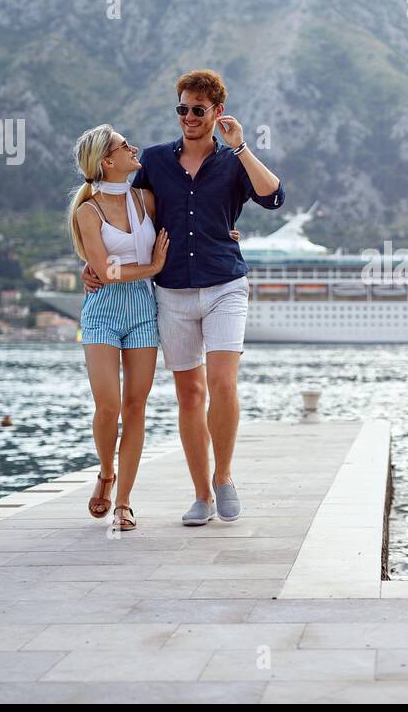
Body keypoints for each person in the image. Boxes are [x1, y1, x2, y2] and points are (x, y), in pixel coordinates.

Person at [83, 70, 285, 526]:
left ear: (216, 113)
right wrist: (91, 263)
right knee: (189, 394)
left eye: (198, 110)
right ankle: (200, 495)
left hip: (225, 284)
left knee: (223, 383)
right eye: (182, 109)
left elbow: (274, 198)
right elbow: (116, 213)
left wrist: (242, 147)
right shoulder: (154, 161)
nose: (188, 118)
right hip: (171, 291)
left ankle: (224, 477)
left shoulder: (234, 162)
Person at [68, 125, 168, 532]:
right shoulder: (86, 212)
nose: (134, 148)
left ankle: (124, 500)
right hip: (102, 313)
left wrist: (225, 233)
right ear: (107, 161)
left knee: (136, 407)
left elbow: (190, 219)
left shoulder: (146, 198)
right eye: (124, 146)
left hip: (144, 309)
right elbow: (106, 272)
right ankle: (105, 472)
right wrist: (153, 268)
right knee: (108, 405)